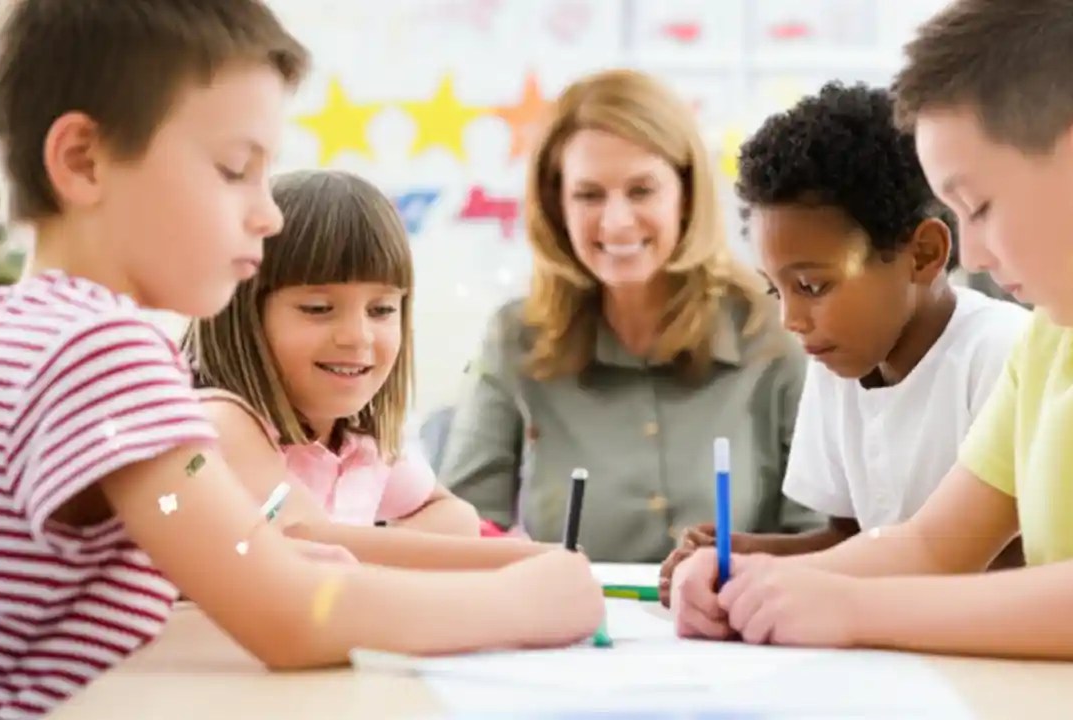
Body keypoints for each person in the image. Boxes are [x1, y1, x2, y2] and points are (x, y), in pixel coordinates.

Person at [0, 2, 600, 716]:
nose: (268, 215)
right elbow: (295, 619)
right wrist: (519, 601)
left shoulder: (24, 331)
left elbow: (227, 561)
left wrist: (273, 564)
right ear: (84, 162)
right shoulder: (99, 352)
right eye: (235, 169)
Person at [670, 0, 1073, 698]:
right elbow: (932, 547)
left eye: (978, 207)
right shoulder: (1052, 337)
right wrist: (756, 583)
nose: (968, 250)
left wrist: (848, 608)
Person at [657, 82, 1029, 605]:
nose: (791, 319)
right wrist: (740, 557)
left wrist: (764, 574)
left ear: (922, 255)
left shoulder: (1000, 353)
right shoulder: (841, 360)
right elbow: (850, 542)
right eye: (775, 288)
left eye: (812, 286)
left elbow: (995, 562)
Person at [439, 68, 818, 563]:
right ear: (557, 205)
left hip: (741, 629)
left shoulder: (773, 330)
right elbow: (459, 531)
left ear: (685, 194)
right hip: (571, 629)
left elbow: (821, 540)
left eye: (642, 191)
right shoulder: (516, 338)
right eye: (589, 194)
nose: (616, 221)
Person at [185, 169, 560, 568]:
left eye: (381, 310)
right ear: (242, 316)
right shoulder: (220, 422)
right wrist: (527, 557)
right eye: (318, 309)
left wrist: (379, 551)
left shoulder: (359, 446)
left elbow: (456, 517)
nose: (357, 336)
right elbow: (303, 537)